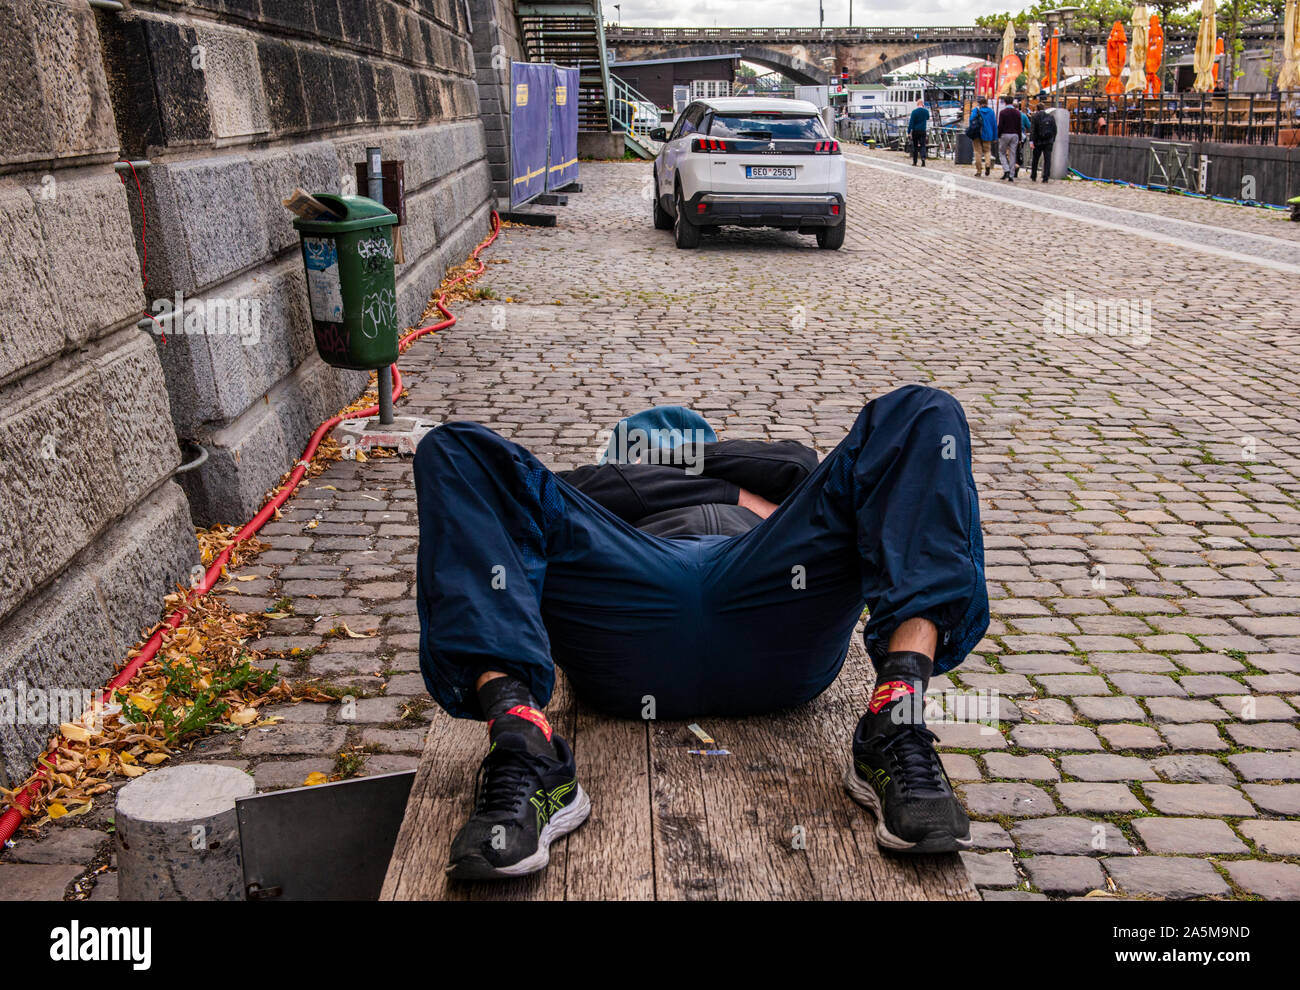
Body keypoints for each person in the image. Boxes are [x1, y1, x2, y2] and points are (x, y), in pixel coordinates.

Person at [415, 387, 990, 879]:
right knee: (454, 448)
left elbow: (849, 488)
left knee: (923, 410)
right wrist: (727, 492)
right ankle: (522, 741)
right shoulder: (594, 489)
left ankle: (898, 714)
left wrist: (718, 479)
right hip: (633, 593)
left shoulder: (784, 468)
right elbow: (527, 510)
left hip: (770, 592)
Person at [968, 96, 997, 177]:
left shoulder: (976, 110)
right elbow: (994, 125)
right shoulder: (991, 112)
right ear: (986, 103)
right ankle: (988, 165)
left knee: (978, 152)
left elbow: (971, 120)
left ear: (979, 104)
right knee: (987, 151)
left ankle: (979, 170)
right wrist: (995, 137)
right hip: (988, 134)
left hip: (977, 134)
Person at [1030, 100, 1057, 183]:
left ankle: (1033, 175)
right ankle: (1046, 177)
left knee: (1035, 159)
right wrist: (1052, 140)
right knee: (1047, 159)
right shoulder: (1050, 117)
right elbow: (1055, 130)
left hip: (1038, 141)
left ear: (1037, 109)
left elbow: (1033, 130)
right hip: (1048, 142)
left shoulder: (1035, 116)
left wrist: (1032, 141)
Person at [997, 95, 1022, 181]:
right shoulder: (1017, 113)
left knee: (1002, 152)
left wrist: (998, 135)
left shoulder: (1003, 112)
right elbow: (1019, 126)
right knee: (1012, 154)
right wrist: (1020, 138)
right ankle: (1011, 174)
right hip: (1015, 135)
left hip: (1005, 134)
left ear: (1005, 102)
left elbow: (1000, 125)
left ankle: (1006, 169)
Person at [907, 98, 930, 166]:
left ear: (917, 104)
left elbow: (911, 122)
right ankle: (923, 158)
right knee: (923, 145)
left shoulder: (914, 112)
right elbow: (928, 118)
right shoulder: (926, 111)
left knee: (915, 146)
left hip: (915, 131)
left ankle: (915, 161)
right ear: (922, 104)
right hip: (923, 130)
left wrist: (909, 131)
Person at [1017, 100, 1032, 170]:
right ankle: (1018, 163)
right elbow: (1029, 126)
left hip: (1010, 135)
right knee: (1020, 150)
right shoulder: (1023, 116)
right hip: (1021, 136)